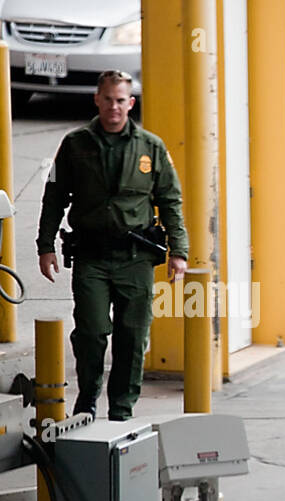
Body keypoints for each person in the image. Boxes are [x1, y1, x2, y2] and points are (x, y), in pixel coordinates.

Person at [37, 70, 188, 422]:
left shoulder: (151, 147)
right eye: (107, 99)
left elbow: (170, 200)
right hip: (92, 256)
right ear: (97, 100)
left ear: (131, 103)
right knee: (91, 331)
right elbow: (54, 198)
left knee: (132, 337)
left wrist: (179, 251)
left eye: (121, 100)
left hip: (135, 258)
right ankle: (88, 397)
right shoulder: (75, 144)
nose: (114, 107)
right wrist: (45, 246)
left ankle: (122, 407)